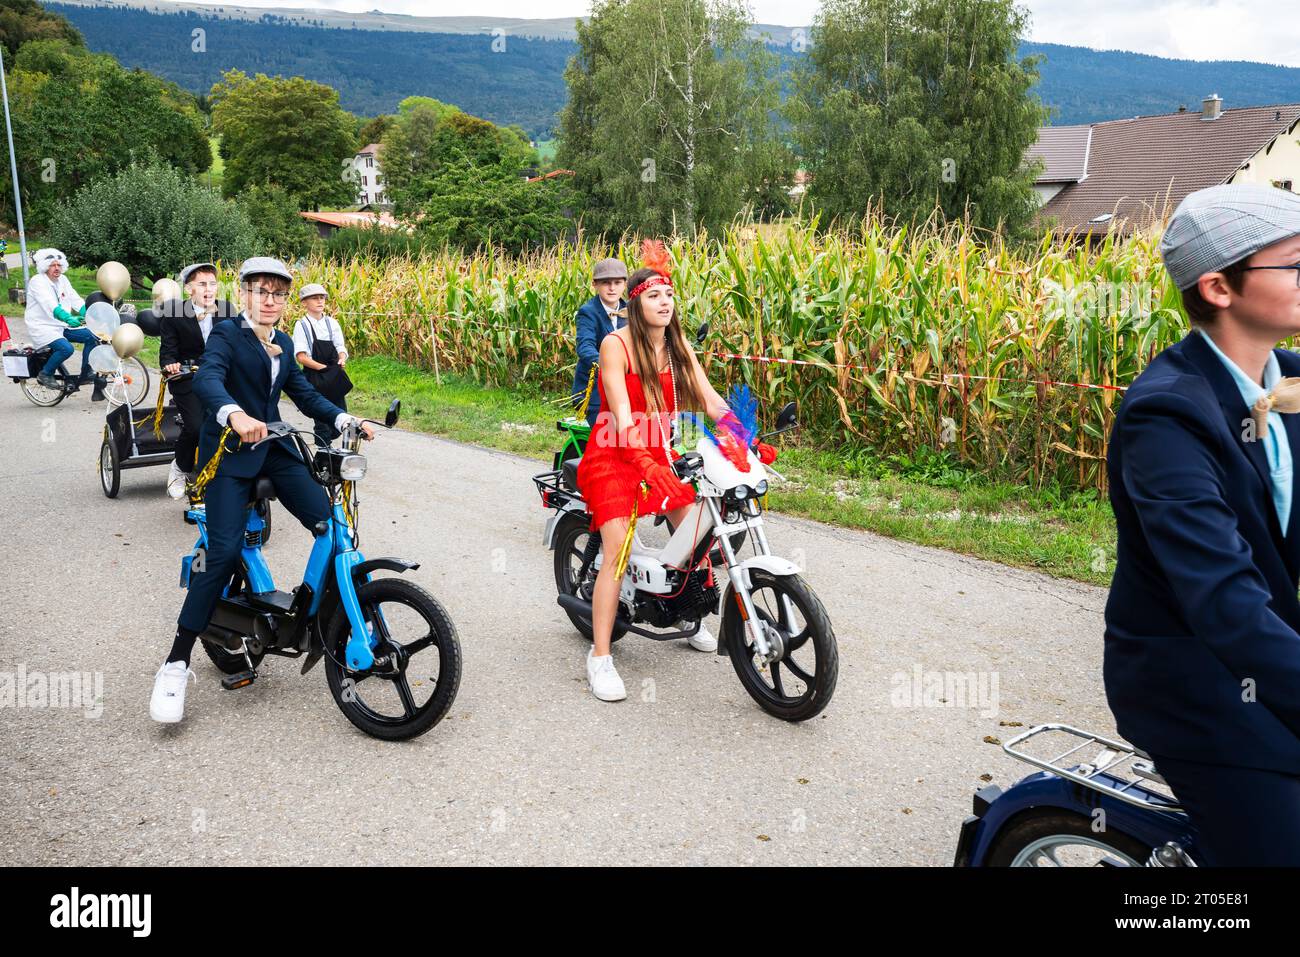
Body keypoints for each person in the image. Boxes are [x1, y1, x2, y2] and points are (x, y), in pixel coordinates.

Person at [1105, 183, 1300, 865]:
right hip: (1199, 684)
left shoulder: (1290, 381)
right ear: (1219, 287)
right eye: (1296, 264)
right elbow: (1224, 601)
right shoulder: (1168, 416)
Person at [149, 257, 373, 725]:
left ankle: (341, 616)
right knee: (225, 552)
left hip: (272, 448)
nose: (269, 300)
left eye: (278, 293)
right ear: (245, 294)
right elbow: (208, 379)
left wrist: (345, 418)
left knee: (334, 525)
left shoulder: (286, 342)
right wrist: (233, 413)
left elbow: (304, 395)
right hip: (230, 453)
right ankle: (174, 665)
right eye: (260, 291)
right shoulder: (228, 334)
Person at [575, 241, 734, 701]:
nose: (664, 302)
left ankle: (688, 614)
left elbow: (709, 400)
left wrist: (745, 439)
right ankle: (600, 657)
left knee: (697, 535)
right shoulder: (615, 344)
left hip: (660, 451)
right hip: (616, 454)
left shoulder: (679, 344)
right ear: (635, 303)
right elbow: (622, 418)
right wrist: (643, 459)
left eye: (669, 295)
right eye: (653, 295)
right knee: (617, 553)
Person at [159, 262, 239, 498]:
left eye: (213, 284)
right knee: (195, 427)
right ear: (189, 289)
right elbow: (167, 352)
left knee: (233, 423)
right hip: (188, 378)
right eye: (202, 284)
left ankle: (226, 474)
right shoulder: (174, 312)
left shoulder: (227, 310)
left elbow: (241, 344)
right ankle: (181, 467)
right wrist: (170, 363)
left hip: (222, 377)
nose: (209, 289)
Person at [24, 248, 94, 392]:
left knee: (92, 336)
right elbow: (49, 304)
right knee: (66, 348)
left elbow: (75, 298)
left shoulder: (63, 279)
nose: (56, 268)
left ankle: (86, 372)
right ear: (44, 266)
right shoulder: (37, 281)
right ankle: (45, 373)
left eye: (59, 265)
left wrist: (89, 314)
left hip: (61, 325)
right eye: (52, 265)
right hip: (43, 327)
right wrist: (68, 318)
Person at [292, 282, 352, 446]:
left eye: (322, 298)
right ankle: (323, 454)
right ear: (304, 302)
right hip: (315, 375)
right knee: (322, 420)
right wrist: (323, 369)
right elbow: (302, 357)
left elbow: (340, 346)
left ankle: (331, 445)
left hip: (333, 373)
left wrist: (341, 358)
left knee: (341, 415)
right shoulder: (302, 325)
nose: (320, 301)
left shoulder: (332, 323)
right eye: (315, 298)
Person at [572, 258, 628, 425]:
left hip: (627, 390)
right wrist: (611, 367)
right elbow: (585, 347)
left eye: (617, 282)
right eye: (605, 283)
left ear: (624, 284)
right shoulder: (588, 312)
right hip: (595, 393)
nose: (612, 288)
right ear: (595, 284)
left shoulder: (632, 311)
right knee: (612, 434)